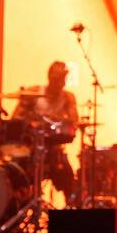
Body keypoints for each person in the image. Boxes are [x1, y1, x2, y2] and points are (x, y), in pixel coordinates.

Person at [12, 60, 79, 201]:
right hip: (30, 148)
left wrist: (58, 119)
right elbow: (16, 118)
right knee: (15, 179)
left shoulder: (67, 97)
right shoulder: (34, 92)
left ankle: (71, 215)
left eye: (63, 79)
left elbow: (74, 122)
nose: (61, 83)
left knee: (70, 184)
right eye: (57, 79)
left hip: (54, 150)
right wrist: (31, 121)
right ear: (49, 77)